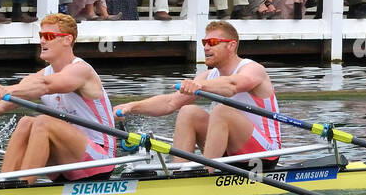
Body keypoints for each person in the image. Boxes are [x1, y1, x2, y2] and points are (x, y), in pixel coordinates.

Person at [0, 13, 116, 182]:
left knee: (42, 122)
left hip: (99, 160)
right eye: (41, 35)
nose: (42, 41)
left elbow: (47, 86)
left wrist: (8, 90)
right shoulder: (41, 75)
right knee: (26, 122)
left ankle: (22, 184)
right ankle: (3, 182)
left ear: (67, 39)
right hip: (65, 162)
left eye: (48, 36)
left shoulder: (81, 70)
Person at [114, 21, 281, 163]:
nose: (206, 47)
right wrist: (132, 106)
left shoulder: (253, 69)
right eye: (204, 42)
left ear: (231, 45)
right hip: (229, 153)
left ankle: (207, 173)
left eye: (213, 42)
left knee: (222, 111)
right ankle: (179, 173)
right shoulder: (208, 75)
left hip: (263, 155)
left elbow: (232, 86)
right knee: (188, 112)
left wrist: (200, 86)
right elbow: (170, 103)